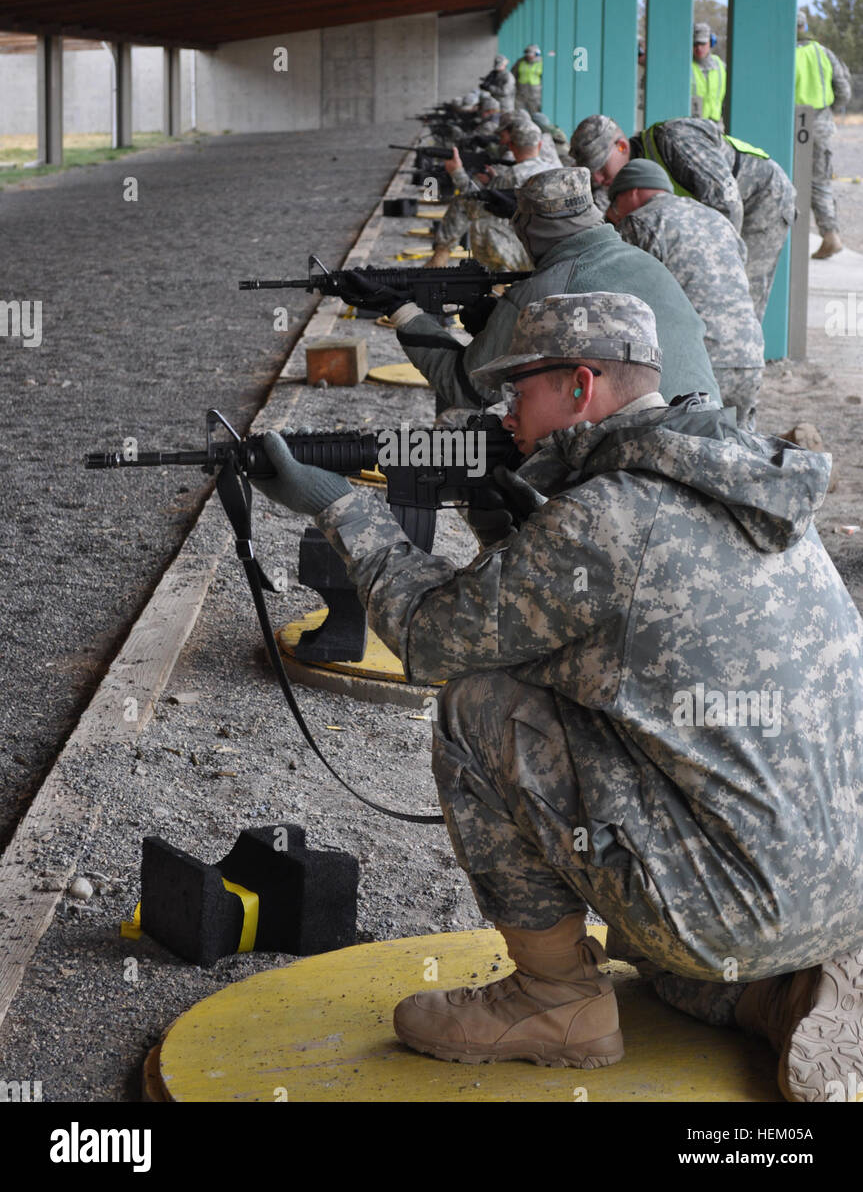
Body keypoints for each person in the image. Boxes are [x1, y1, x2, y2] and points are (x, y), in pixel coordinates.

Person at [252, 291, 863, 1103]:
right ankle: (776, 992)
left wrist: (341, 508)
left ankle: (553, 1004)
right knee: (646, 938)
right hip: (836, 889)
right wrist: (514, 532)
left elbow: (437, 639)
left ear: (580, 386)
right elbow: (611, 643)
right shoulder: (743, 480)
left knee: (476, 704)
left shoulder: (612, 515)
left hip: (730, 900)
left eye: (521, 390)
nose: (507, 413)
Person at [375, 167, 720, 411]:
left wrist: (403, 311)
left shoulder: (546, 287)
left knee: (461, 424)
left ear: (529, 229)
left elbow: (466, 388)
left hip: (643, 460)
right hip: (707, 427)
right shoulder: (646, 263)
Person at [570, 113, 796, 322]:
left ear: (621, 147)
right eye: (591, 171)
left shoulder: (674, 140)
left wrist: (718, 263)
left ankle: (742, 357)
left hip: (762, 198)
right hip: (723, 211)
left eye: (601, 167)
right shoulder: (613, 181)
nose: (598, 178)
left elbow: (727, 204)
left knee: (736, 291)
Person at [608, 159, 764, 428]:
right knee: (739, 452)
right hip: (749, 357)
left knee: (689, 457)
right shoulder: (716, 219)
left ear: (631, 192)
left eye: (614, 205)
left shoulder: (641, 223)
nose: (614, 215)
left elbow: (624, 303)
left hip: (698, 363)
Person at [425, 118, 547, 274]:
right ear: (540, 145)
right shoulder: (552, 168)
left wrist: (457, 173)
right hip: (549, 251)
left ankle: (488, 279)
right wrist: (494, 181)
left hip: (528, 256)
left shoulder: (512, 175)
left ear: (510, 145)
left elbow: (475, 206)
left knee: (471, 213)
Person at [795, 10, 852, 259]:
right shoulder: (822, 52)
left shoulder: (780, 52)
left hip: (790, 124)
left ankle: (795, 237)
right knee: (820, 182)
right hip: (820, 123)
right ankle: (830, 234)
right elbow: (843, 90)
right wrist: (828, 110)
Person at [690, 21, 727, 125]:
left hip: (716, 124)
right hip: (691, 124)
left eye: (702, 43)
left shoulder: (721, 66)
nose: (699, 48)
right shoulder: (686, 66)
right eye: (695, 44)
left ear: (711, 42)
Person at [513, 44, 543, 114]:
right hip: (520, 91)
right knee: (518, 112)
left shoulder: (541, 62)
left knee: (535, 113)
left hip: (535, 93)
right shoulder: (520, 61)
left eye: (531, 54)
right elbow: (513, 74)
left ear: (536, 54)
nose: (528, 56)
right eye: (527, 54)